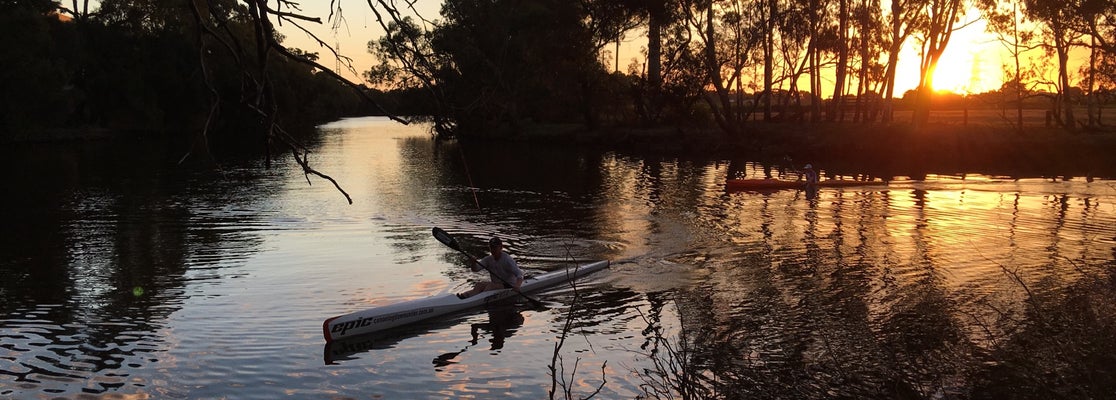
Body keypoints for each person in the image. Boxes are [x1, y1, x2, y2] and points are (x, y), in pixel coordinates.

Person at [456, 237, 524, 299]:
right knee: (479, 285)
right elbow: (475, 270)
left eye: (495, 247)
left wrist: (517, 286)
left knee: (491, 286)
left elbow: (519, 275)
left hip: (509, 285)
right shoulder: (488, 259)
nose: (493, 250)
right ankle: (464, 297)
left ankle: (476, 300)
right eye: (491, 247)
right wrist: (473, 263)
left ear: (501, 247)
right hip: (496, 284)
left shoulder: (507, 260)